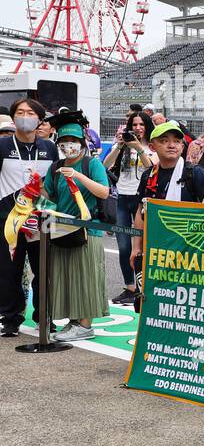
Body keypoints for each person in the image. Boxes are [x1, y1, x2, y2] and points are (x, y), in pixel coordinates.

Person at [43, 122, 112, 341]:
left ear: (82, 144)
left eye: (73, 142)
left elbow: (103, 192)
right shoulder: (54, 167)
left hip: (89, 230)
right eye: (63, 142)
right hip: (63, 228)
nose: (68, 146)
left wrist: (77, 176)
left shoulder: (92, 164)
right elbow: (48, 195)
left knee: (87, 276)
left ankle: (85, 325)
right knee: (67, 276)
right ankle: (74, 322)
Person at [0, 98, 57, 336]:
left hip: (41, 217)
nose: (25, 116)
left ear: (39, 119)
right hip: (8, 217)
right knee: (8, 270)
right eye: (20, 112)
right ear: (13, 118)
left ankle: (43, 316)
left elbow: (55, 183)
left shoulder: (49, 147)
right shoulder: (2, 145)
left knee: (44, 269)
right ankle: (10, 317)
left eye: (30, 112)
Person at [130, 121, 204, 279]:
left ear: (183, 147)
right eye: (164, 141)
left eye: (177, 141)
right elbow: (141, 212)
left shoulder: (195, 173)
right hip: (155, 249)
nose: (171, 145)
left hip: (189, 253)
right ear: (152, 147)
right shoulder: (148, 176)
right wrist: (136, 247)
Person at [103, 108, 156, 305]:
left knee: (143, 245)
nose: (138, 128)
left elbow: (151, 167)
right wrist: (119, 145)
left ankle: (144, 286)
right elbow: (104, 165)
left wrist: (139, 148)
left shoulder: (152, 145)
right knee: (124, 246)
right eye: (134, 125)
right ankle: (130, 287)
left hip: (141, 199)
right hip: (122, 197)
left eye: (142, 124)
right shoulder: (123, 146)